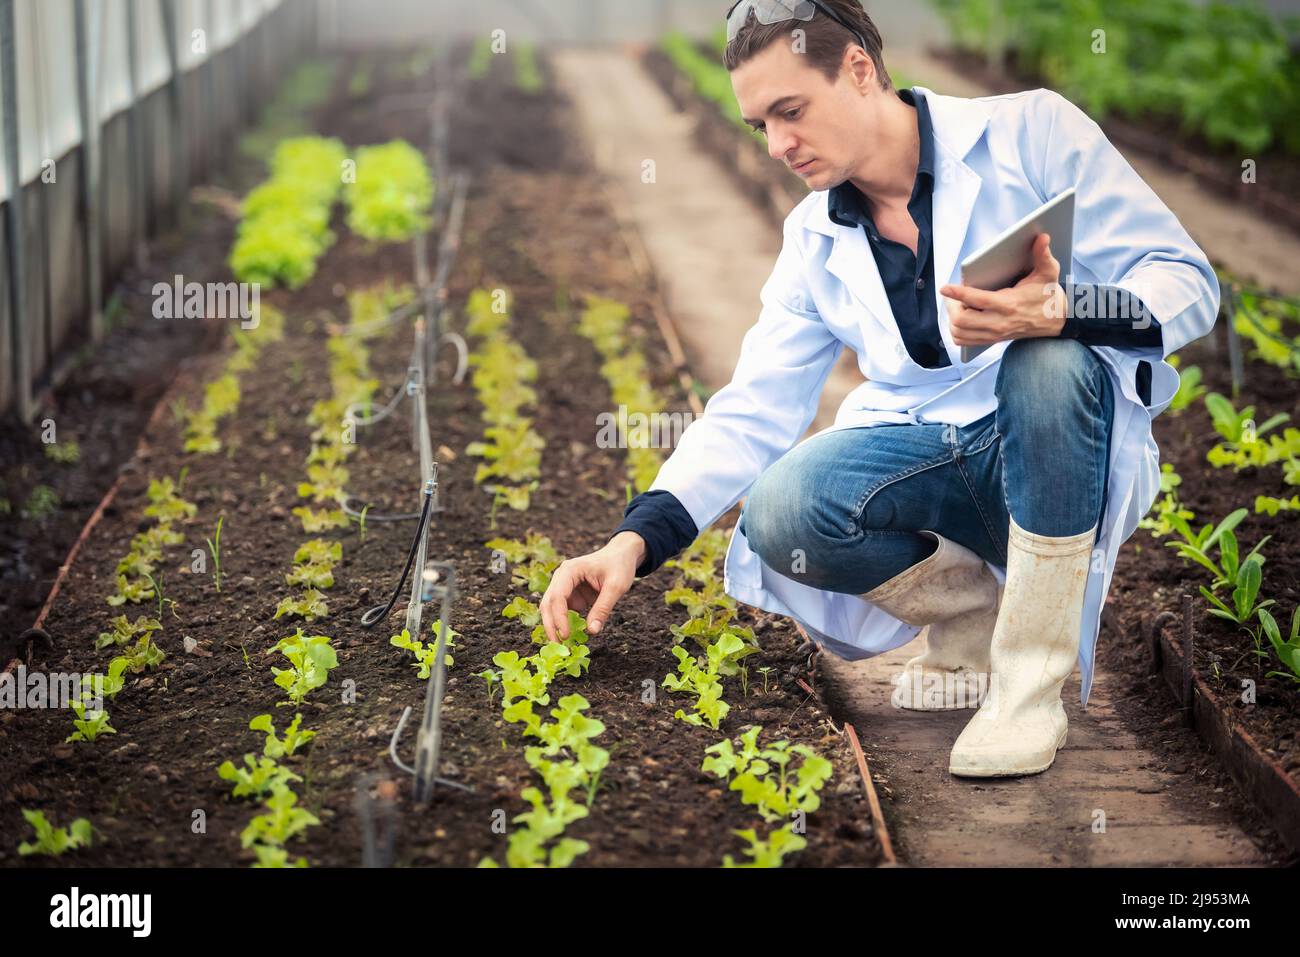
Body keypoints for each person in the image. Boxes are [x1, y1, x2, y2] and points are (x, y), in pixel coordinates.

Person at [539, 0, 1218, 777]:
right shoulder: (813, 236)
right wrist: (633, 539)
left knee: (1048, 358)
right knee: (783, 507)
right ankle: (977, 621)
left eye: (791, 111)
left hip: (1057, 451)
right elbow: (755, 405)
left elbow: (1188, 281)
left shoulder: (1033, 132)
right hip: (934, 468)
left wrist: (1065, 310)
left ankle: (1029, 689)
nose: (779, 146)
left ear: (859, 69)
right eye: (761, 125)